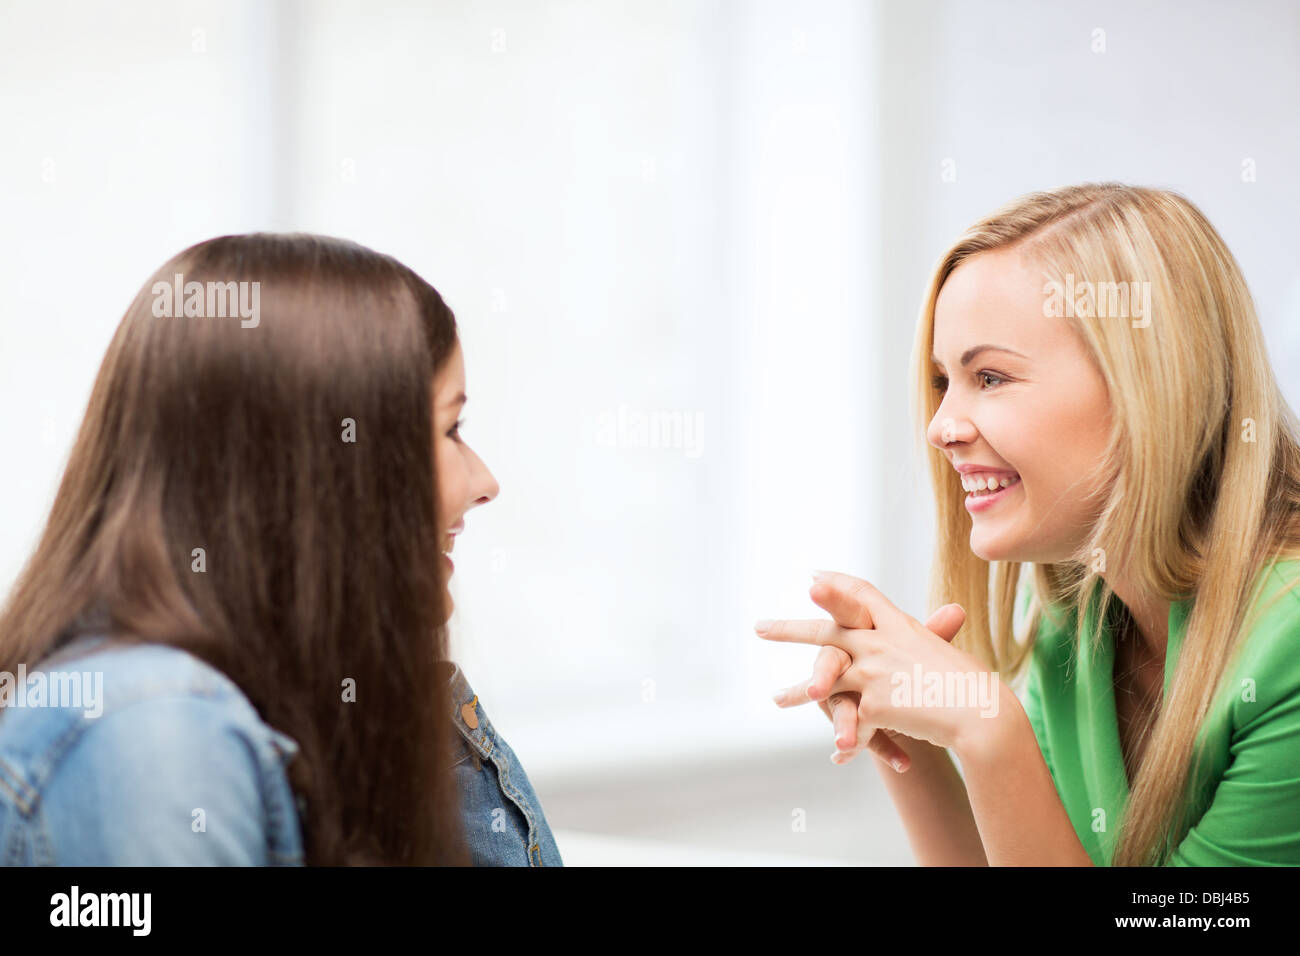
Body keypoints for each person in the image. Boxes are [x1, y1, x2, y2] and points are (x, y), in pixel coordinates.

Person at [758, 183, 1300, 866]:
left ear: (1150, 388)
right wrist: (917, 744)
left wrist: (990, 730)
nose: (941, 427)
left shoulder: (1290, 645)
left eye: (989, 377)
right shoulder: (1078, 621)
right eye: (942, 382)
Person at [0, 233, 561, 865]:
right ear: (316, 464)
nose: (484, 482)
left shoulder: (320, 714)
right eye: (450, 428)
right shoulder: (150, 732)